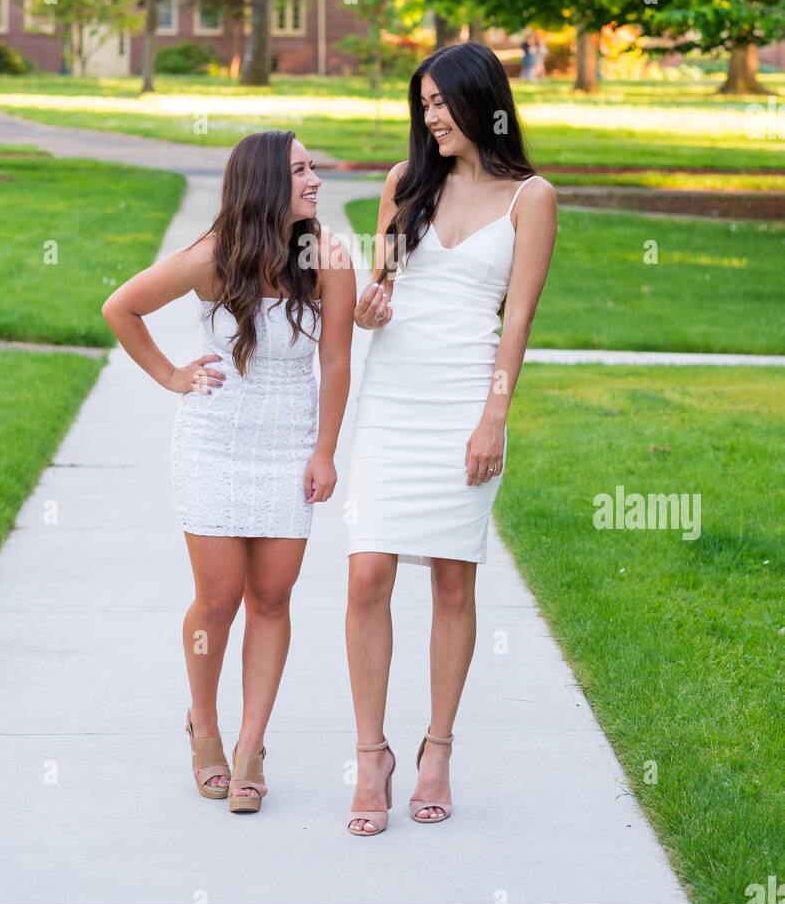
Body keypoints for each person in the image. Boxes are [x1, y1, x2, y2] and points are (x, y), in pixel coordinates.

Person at [101, 131, 355, 813]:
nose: (315, 181)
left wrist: (325, 450)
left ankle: (250, 746)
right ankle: (204, 726)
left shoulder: (327, 257)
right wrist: (170, 375)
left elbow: (335, 362)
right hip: (213, 444)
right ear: (267, 182)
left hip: (288, 450)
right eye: (301, 170)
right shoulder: (211, 259)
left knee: (271, 599)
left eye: (313, 168)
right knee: (218, 602)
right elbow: (119, 308)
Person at [344, 42, 557, 835]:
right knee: (366, 576)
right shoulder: (406, 186)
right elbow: (384, 285)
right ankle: (372, 755)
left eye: (441, 102)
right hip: (393, 400)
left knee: (451, 584)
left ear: (482, 102)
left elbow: (519, 322)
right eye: (423, 103)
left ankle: (436, 749)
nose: (429, 116)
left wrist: (493, 416)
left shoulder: (531, 198)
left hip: (467, 400)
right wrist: (372, 305)